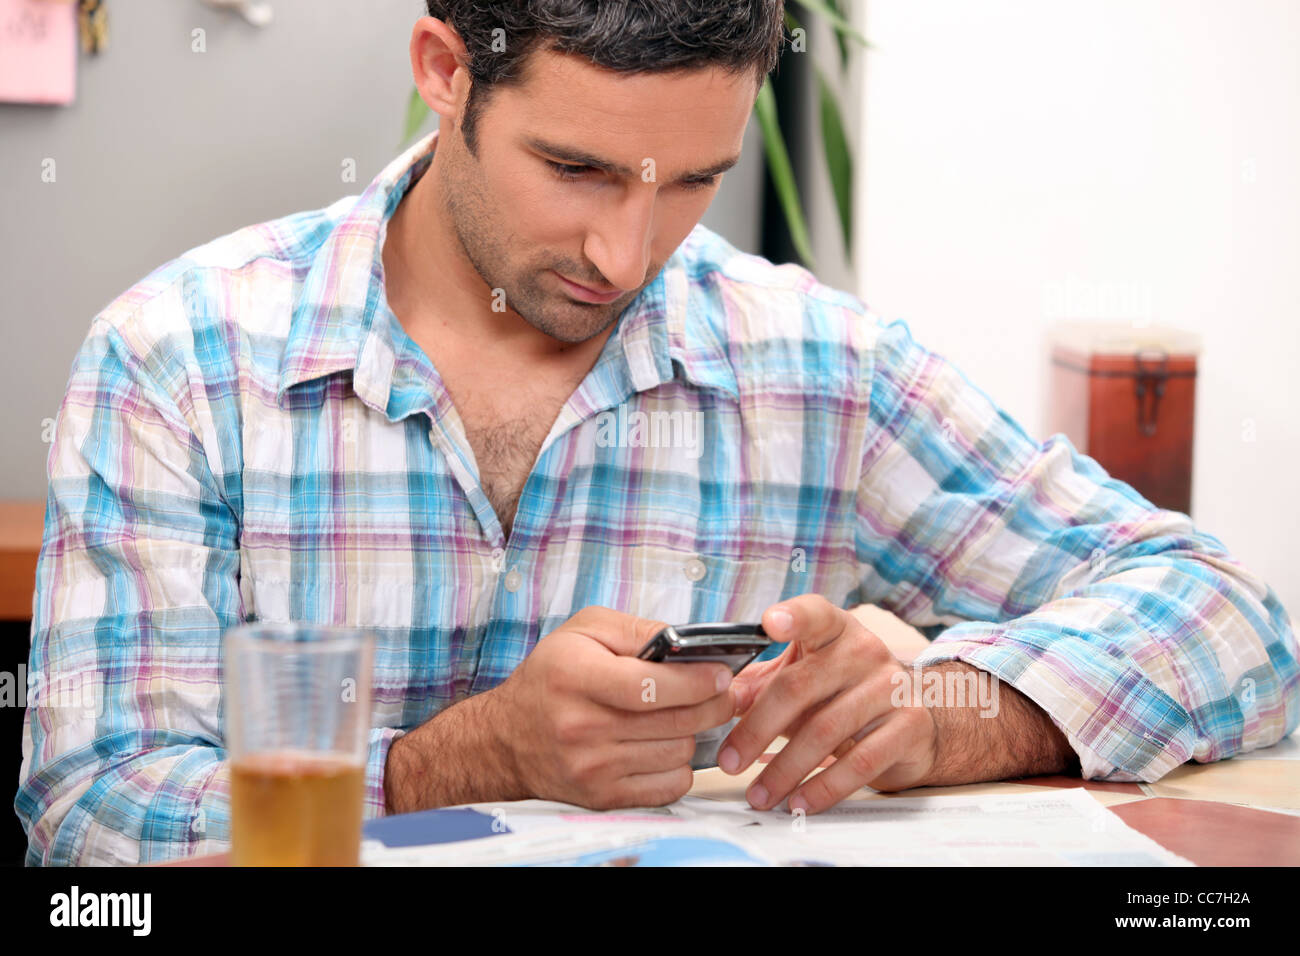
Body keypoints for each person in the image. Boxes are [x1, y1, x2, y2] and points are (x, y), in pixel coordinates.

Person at [17, 1, 1297, 865]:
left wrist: (955, 711)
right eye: (574, 168)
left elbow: (1227, 611)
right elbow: (90, 818)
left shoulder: (813, 360)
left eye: (692, 181)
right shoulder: (179, 359)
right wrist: (432, 768)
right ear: (445, 71)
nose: (624, 255)